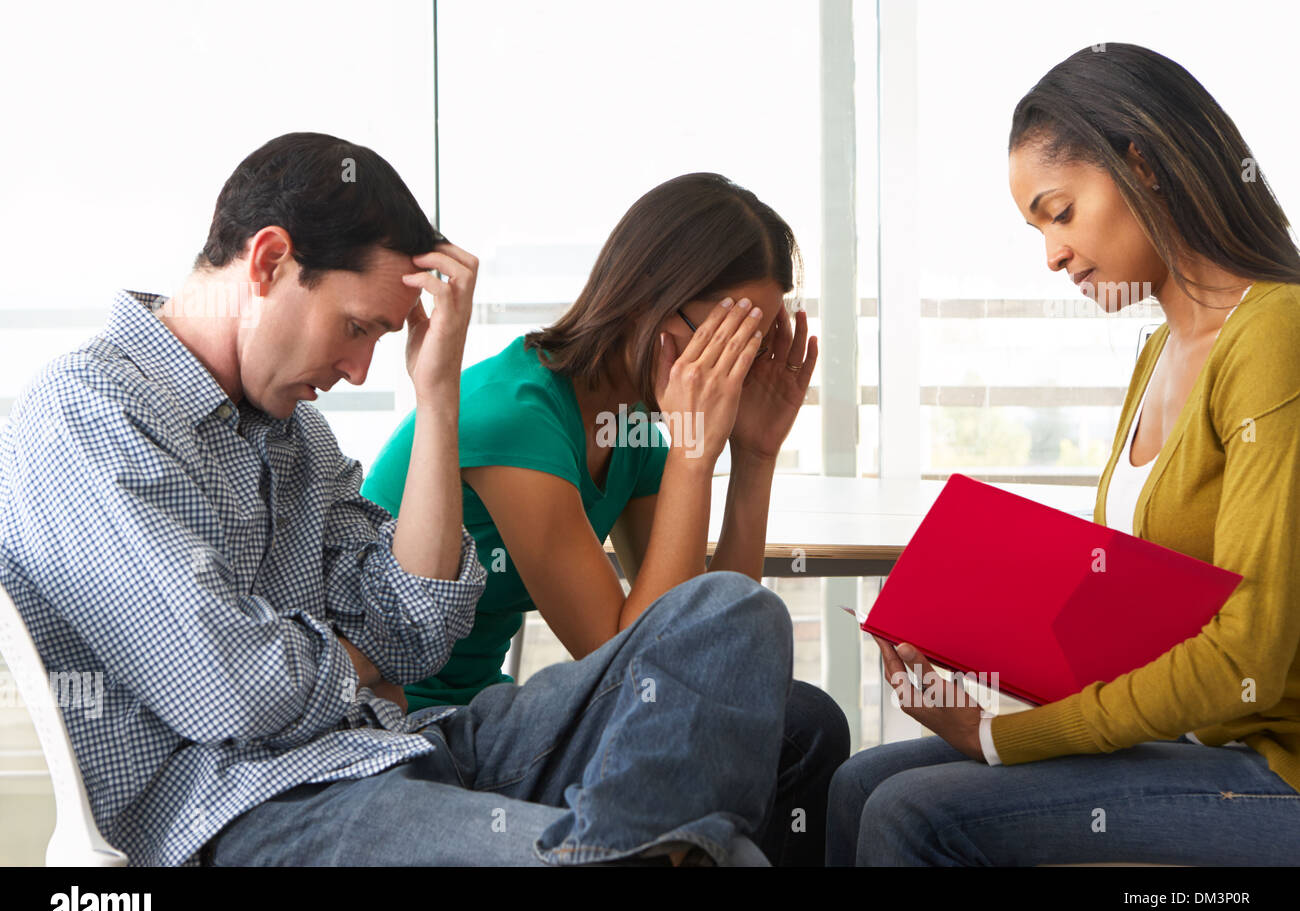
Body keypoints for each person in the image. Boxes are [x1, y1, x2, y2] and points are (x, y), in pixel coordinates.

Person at [0, 132, 798, 867]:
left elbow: (413, 632)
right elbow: (229, 688)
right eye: (356, 327)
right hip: (251, 807)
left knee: (734, 617)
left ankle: (631, 851)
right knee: (718, 847)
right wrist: (357, 661)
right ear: (269, 262)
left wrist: (438, 390)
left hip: (402, 746)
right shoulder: (89, 412)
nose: (357, 370)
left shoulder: (294, 434)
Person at [827, 42, 1300, 866]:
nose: (1052, 255)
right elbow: (1142, 616)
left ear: (1144, 164)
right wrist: (972, 648)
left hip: (1272, 768)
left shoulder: (1276, 336)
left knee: (912, 813)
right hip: (1195, 739)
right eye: (1038, 227)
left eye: (1060, 211)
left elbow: (1245, 654)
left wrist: (1003, 737)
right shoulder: (1159, 351)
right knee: (858, 784)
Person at [362, 172, 851, 866]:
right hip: (417, 723)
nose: (734, 373)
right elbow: (628, 655)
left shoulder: (636, 421)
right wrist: (691, 453)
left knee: (803, 723)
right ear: (650, 304)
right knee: (795, 732)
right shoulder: (517, 417)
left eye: (754, 346)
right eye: (723, 341)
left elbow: (709, 633)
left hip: (493, 710)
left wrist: (754, 456)